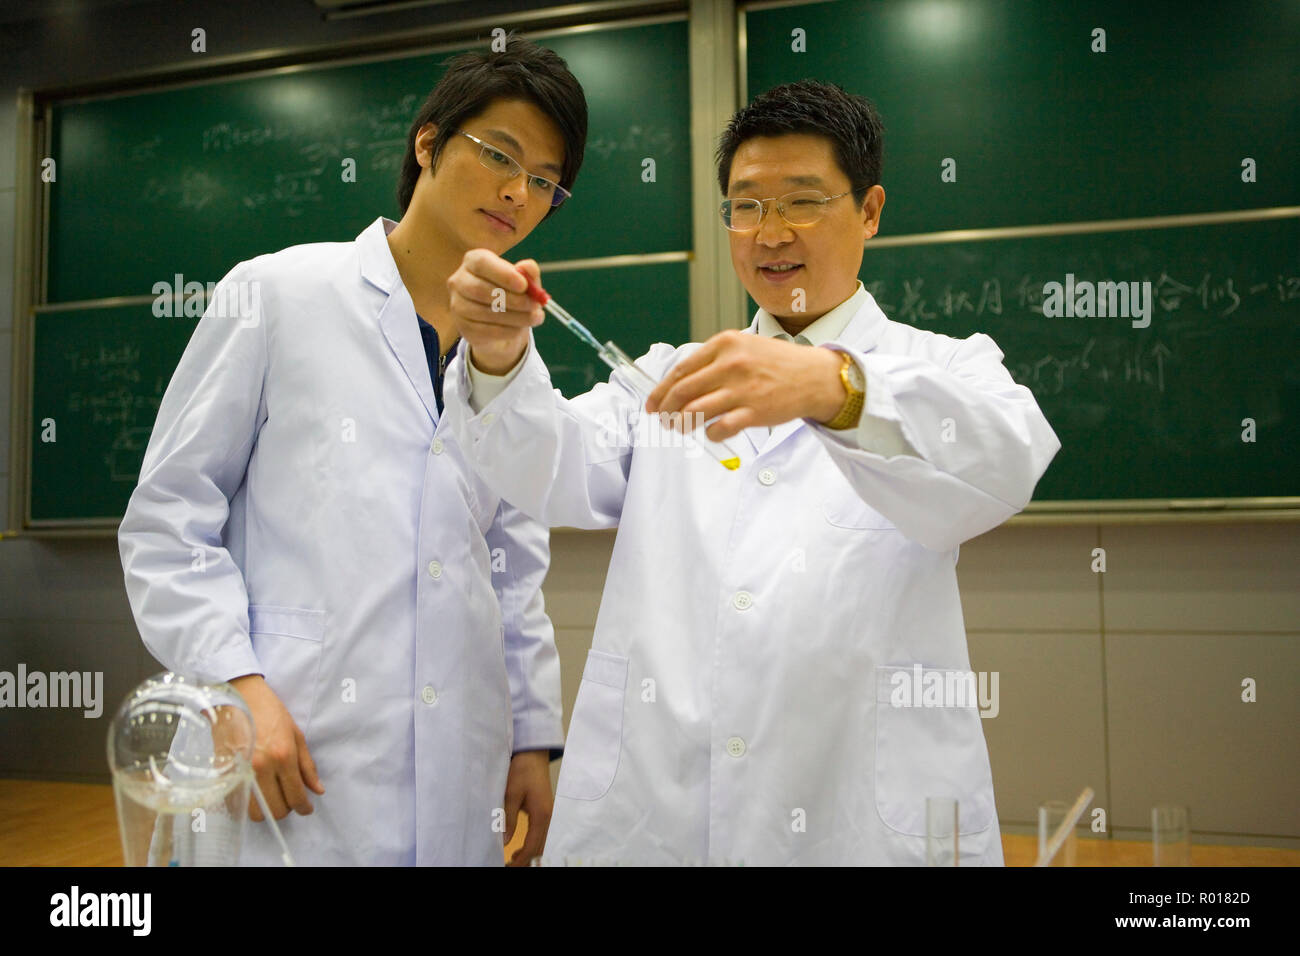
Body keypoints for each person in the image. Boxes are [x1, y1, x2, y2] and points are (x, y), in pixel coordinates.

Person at [441, 80, 1061, 865]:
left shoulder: (941, 365)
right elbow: (547, 467)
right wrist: (497, 358)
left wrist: (833, 387)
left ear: (870, 210)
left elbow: (1010, 455)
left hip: (853, 827)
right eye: (745, 205)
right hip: (655, 820)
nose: (769, 235)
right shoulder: (673, 376)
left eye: (802, 202)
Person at [118, 37, 588, 866]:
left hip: (460, 761)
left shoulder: (514, 354)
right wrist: (238, 685)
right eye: (499, 155)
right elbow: (167, 521)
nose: (519, 191)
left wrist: (531, 734)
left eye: (545, 181)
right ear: (428, 143)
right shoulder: (277, 293)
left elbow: (514, 564)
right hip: (283, 745)